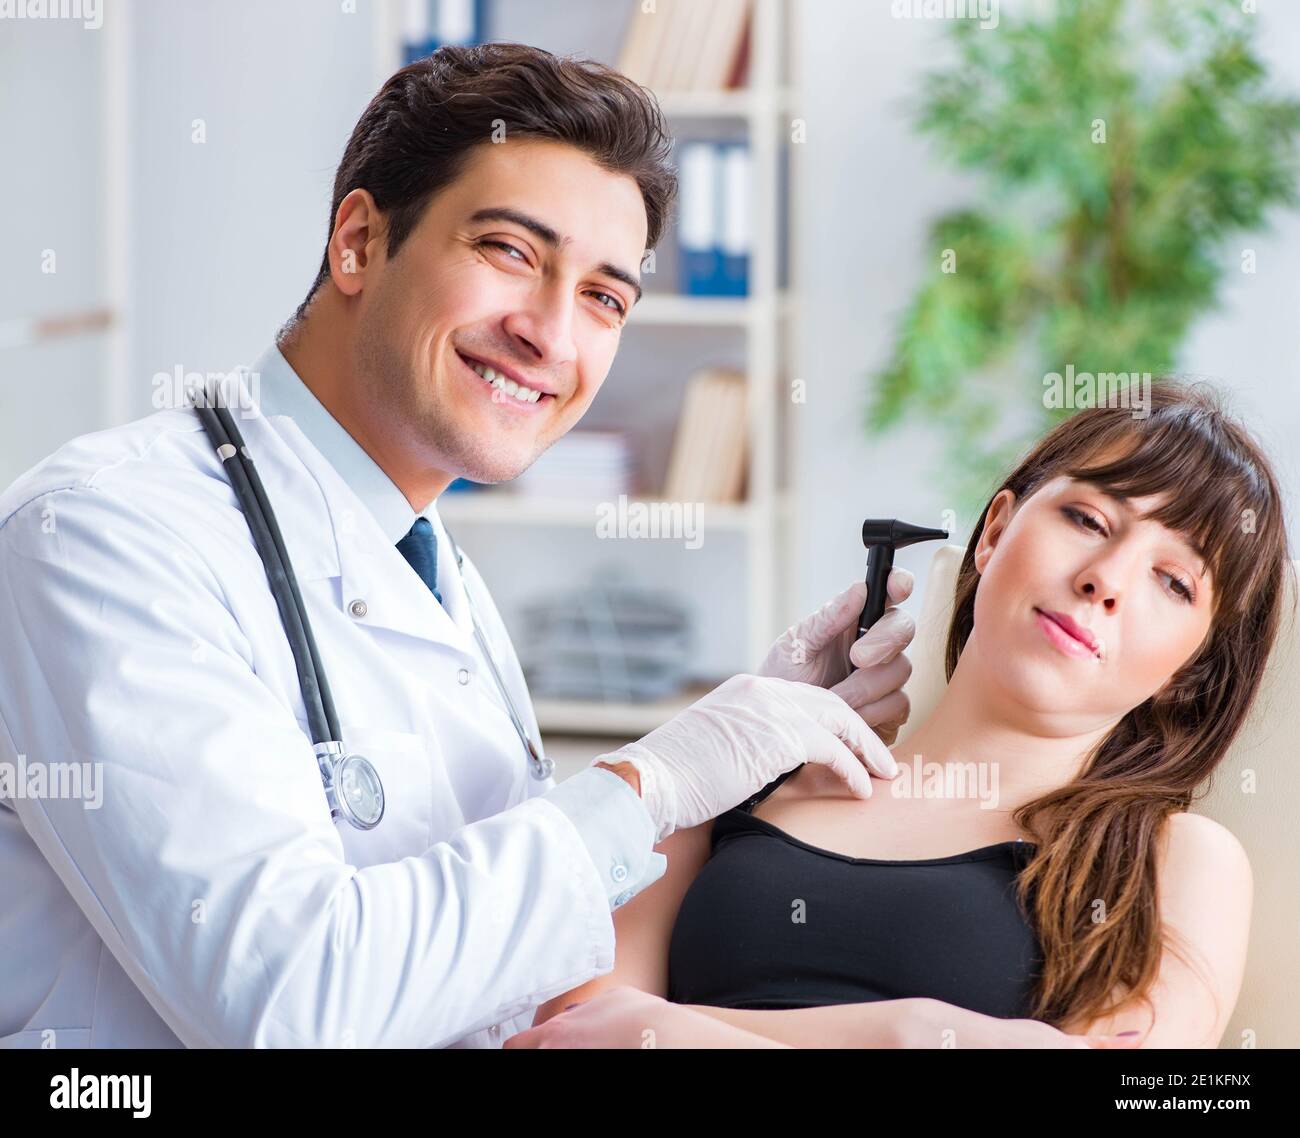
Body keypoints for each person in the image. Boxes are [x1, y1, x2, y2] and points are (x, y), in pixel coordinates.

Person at [0, 43, 912, 1049]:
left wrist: (729, 767)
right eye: (511, 252)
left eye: (604, 297)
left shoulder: (424, 556)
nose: (551, 336)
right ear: (358, 241)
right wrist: (653, 780)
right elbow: (295, 1001)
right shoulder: (103, 534)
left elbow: (491, 965)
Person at [515, 381, 1291, 1048]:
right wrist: (909, 1036)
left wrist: (681, 1032)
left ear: (1189, 676)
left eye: (1174, 582)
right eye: (1089, 520)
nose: (1106, 579)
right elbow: (573, 1031)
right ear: (994, 533)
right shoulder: (742, 778)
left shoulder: (1173, 861)